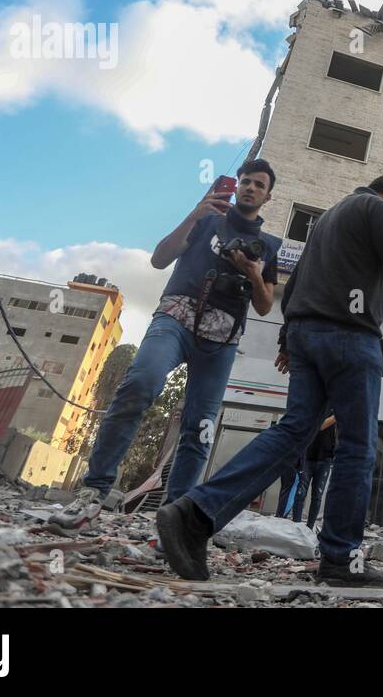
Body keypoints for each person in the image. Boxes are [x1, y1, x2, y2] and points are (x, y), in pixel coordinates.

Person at [155, 176, 383, 586]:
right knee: (357, 446)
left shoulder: (329, 218)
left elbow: (295, 284)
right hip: (350, 336)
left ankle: (195, 511)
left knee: (293, 432)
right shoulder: (377, 208)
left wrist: (287, 338)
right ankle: (340, 559)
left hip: (305, 333)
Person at [49, 160, 281, 533]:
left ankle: (173, 520)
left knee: (200, 426)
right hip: (175, 317)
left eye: (258, 185)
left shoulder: (268, 245)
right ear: (235, 186)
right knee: (141, 382)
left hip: (222, 339)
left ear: (269, 196)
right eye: (245, 182)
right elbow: (159, 260)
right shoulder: (206, 219)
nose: (250, 188)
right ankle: (92, 492)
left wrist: (253, 271)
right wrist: (195, 212)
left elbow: (266, 304)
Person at [293, 413, 336, 528]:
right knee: (300, 493)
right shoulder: (316, 406)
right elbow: (320, 425)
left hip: (325, 459)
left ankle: (309, 528)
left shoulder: (336, 407)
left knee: (317, 496)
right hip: (307, 457)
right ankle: (296, 527)